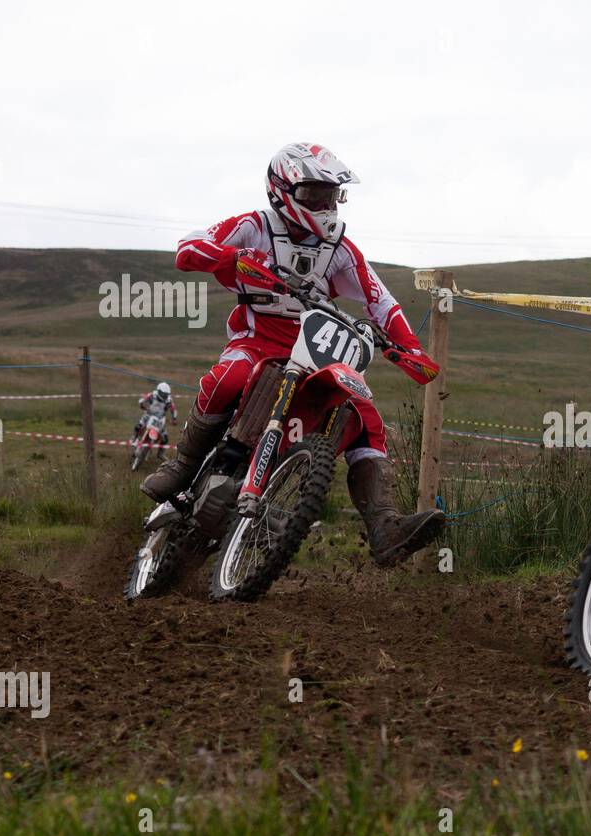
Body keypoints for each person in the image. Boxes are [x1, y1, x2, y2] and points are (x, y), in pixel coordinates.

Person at [141, 142, 444, 567]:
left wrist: (409, 347)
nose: (323, 203)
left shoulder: (339, 248)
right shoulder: (255, 226)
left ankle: (385, 526)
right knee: (230, 378)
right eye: (312, 194)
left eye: (329, 194)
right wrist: (236, 257)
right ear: (282, 190)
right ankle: (185, 463)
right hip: (256, 336)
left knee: (364, 415)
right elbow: (188, 249)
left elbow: (381, 301)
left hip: (315, 345)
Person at [134, 381, 177, 455]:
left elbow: (173, 409)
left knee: (165, 438)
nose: (164, 396)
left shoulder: (168, 400)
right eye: (163, 394)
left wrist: (174, 418)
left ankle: (160, 454)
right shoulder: (153, 395)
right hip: (149, 414)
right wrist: (142, 404)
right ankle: (134, 438)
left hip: (160, 419)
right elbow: (143, 399)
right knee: (138, 426)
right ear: (158, 391)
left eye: (165, 394)